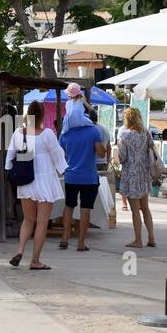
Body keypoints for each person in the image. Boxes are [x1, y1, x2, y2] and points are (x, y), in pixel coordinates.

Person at [5, 100, 66, 270]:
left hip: (26, 181)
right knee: (41, 222)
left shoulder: (19, 133)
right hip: (45, 181)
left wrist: (10, 171)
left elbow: (10, 156)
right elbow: (57, 156)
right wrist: (63, 170)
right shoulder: (47, 134)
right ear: (43, 115)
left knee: (28, 219)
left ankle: (19, 250)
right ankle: (35, 260)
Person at [58, 100, 105, 252]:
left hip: (70, 176)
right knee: (85, 209)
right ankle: (80, 243)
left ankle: (65, 238)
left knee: (69, 206)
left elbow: (60, 153)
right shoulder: (93, 131)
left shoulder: (65, 133)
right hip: (89, 177)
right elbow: (100, 152)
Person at [116, 106, 156, 249]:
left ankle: (138, 240)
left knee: (135, 210)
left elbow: (122, 157)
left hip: (131, 174)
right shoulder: (146, 133)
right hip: (144, 173)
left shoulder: (125, 135)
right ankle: (151, 237)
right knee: (145, 208)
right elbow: (152, 149)